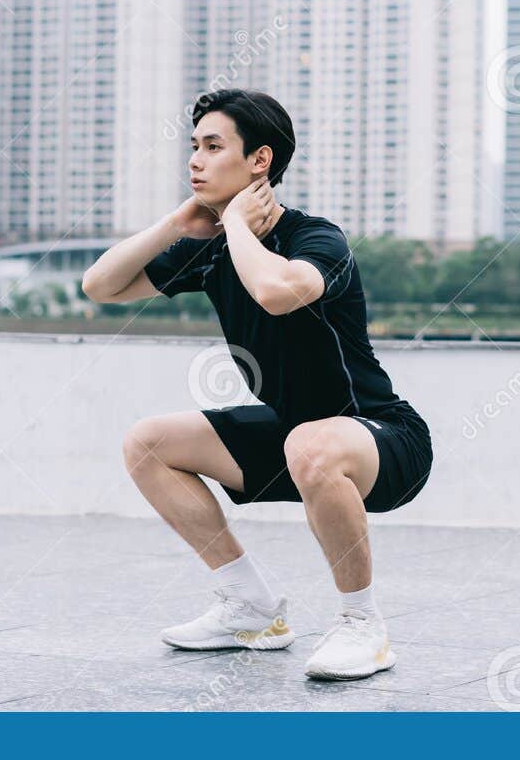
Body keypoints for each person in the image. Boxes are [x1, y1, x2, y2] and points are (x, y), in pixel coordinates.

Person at [81, 88, 432, 680]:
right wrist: (176, 223)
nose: (195, 159)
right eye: (193, 146)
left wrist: (237, 225)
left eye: (213, 147)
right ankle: (250, 607)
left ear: (259, 161)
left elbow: (277, 292)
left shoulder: (316, 237)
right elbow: (101, 286)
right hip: (296, 437)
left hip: (383, 439)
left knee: (311, 443)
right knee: (148, 443)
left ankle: (362, 627)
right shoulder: (208, 249)